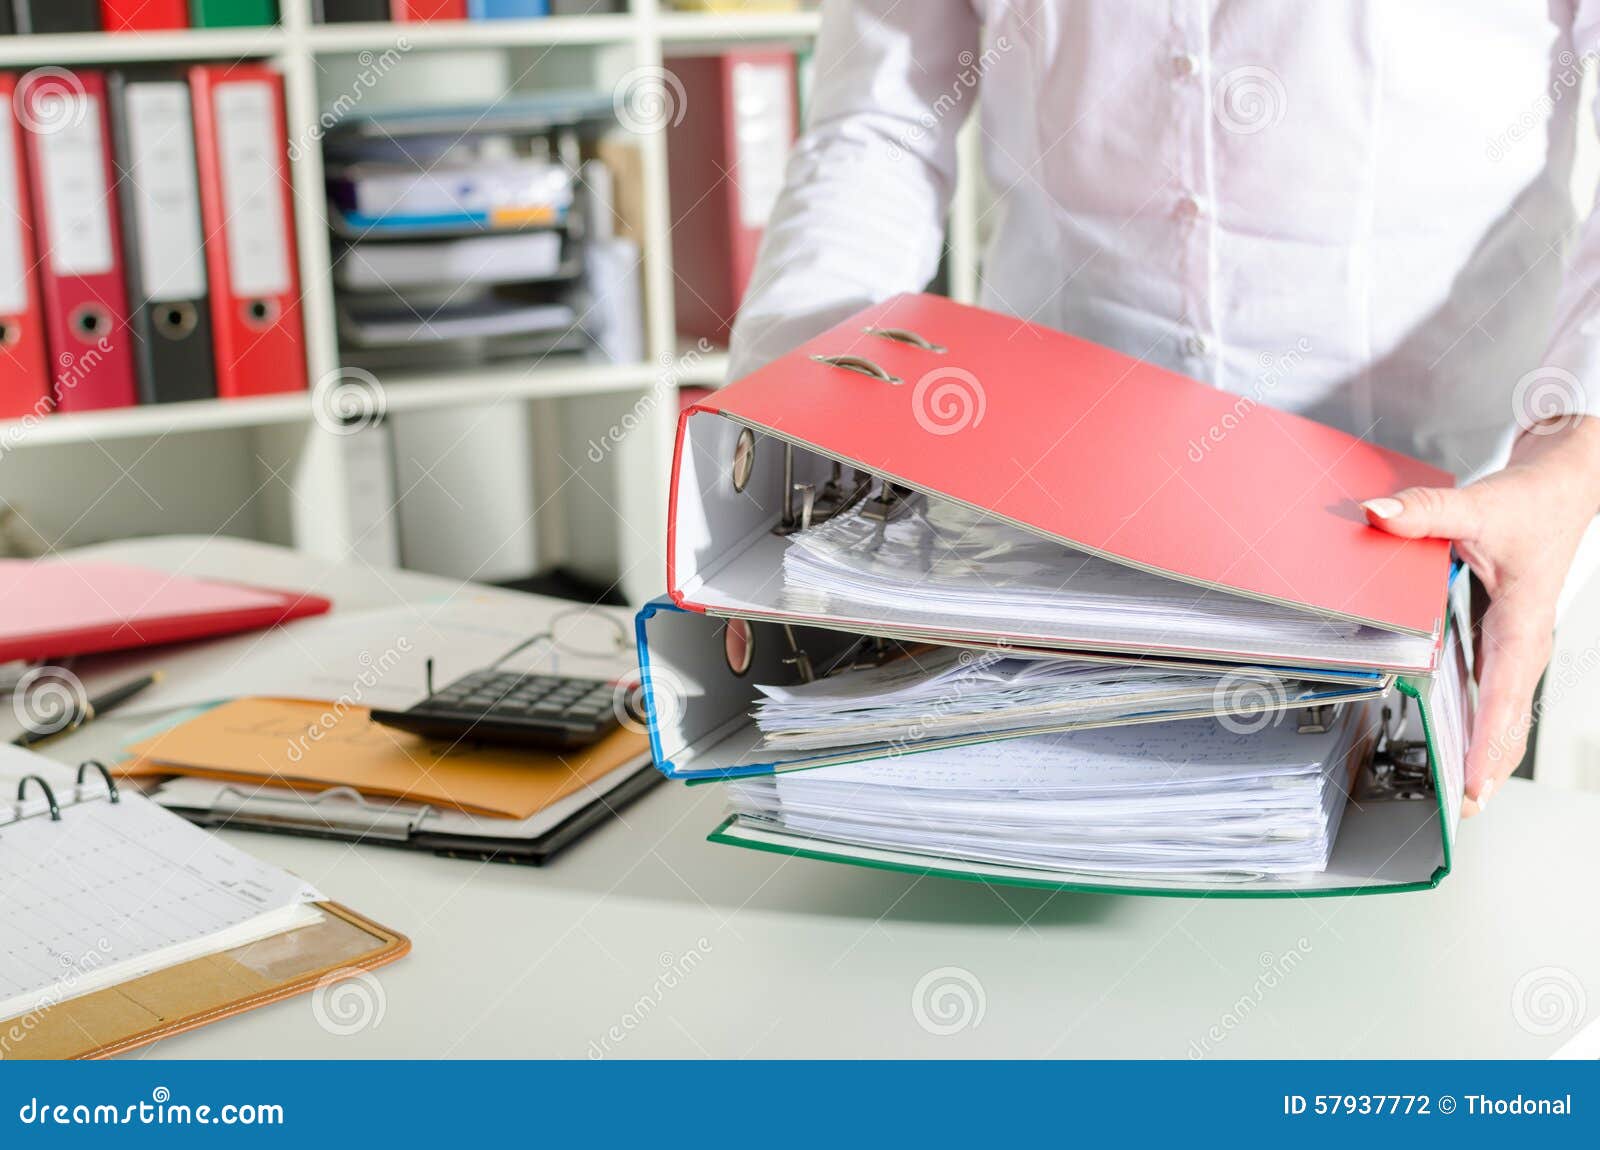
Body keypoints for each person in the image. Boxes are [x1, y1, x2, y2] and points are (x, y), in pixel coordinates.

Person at [727, 0, 1600, 817]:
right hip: (1032, 544)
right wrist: (773, 450)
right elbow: (879, 125)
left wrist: (1574, 452)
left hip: (1446, 546)